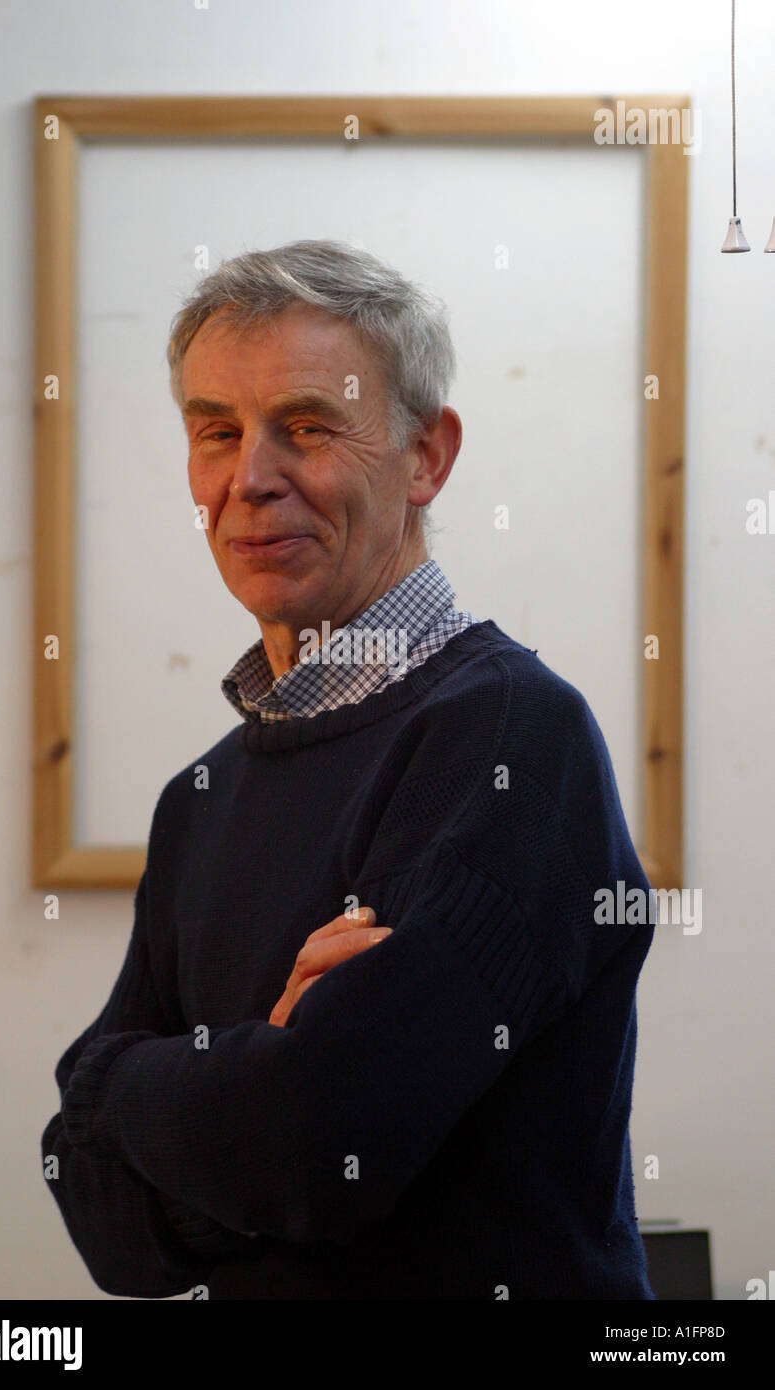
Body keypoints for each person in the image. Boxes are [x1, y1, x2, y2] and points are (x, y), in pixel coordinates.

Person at [41, 239, 655, 1300]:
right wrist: (256, 1071)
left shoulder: (511, 737)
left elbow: (321, 1143)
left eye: (308, 426)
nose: (250, 479)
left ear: (426, 456)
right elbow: (101, 1223)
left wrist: (109, 1083)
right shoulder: (199, 799)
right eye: (216, 432)